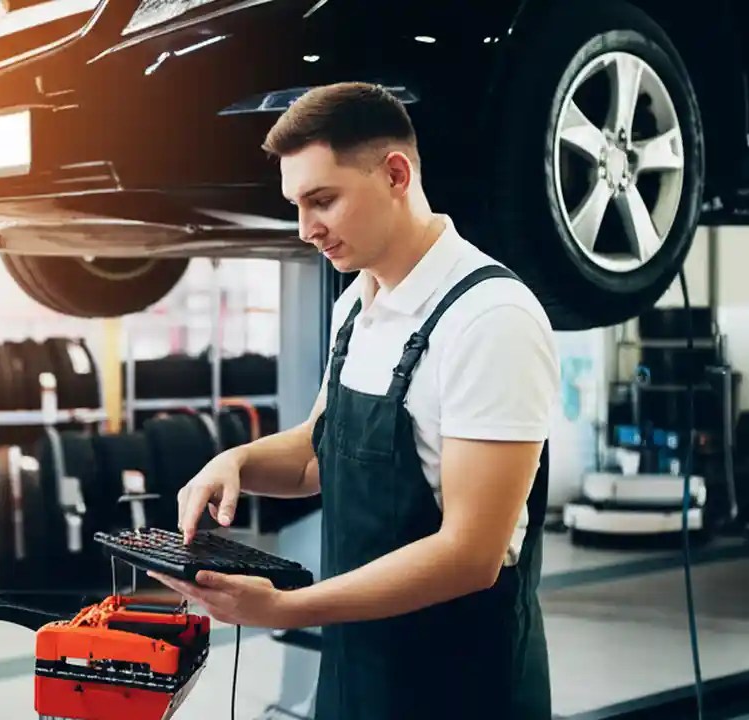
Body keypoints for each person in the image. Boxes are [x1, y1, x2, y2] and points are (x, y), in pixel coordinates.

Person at [149, 82, 560, 719]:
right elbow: (321, 455)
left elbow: (470, 555)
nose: (306, 229)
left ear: (396, 174)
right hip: (354, 673)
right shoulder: (354, 304)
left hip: (459, 687)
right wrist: (235, 463)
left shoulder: (490, 319)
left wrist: (283, 609)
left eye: (322, 200)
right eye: (295, 204)